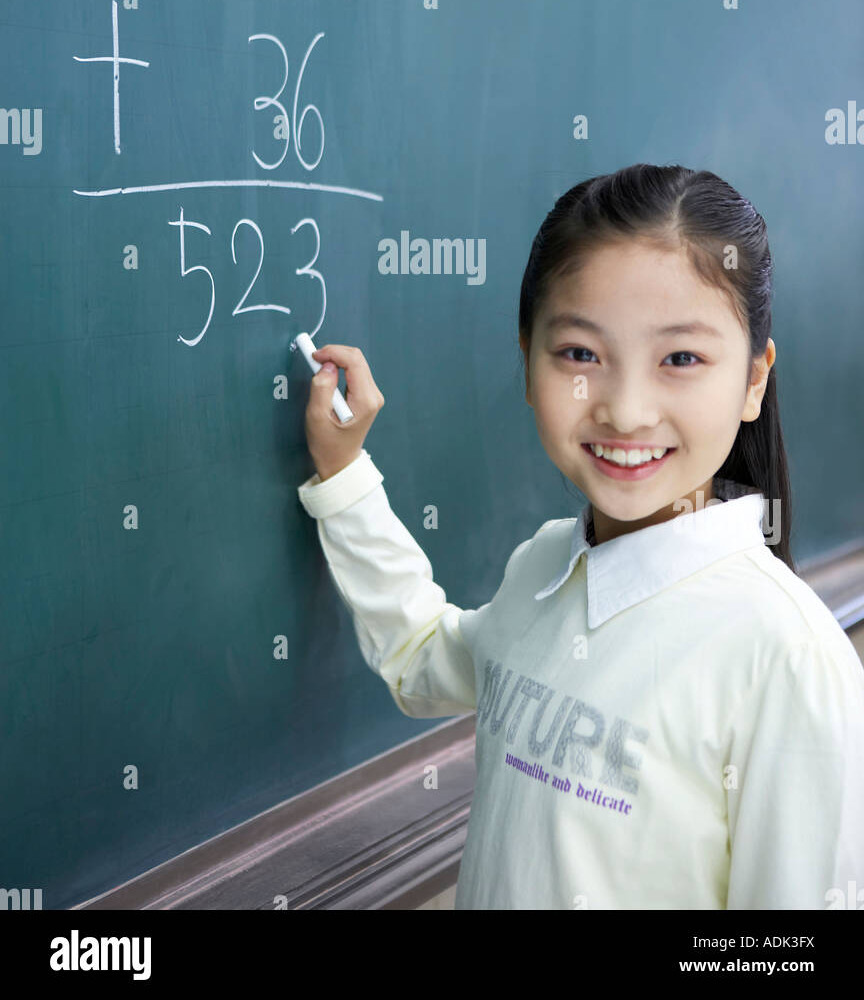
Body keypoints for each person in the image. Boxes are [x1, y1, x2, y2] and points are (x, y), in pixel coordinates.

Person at [297, 162, 864, 910]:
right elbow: (423, 658)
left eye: (682, 359)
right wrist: (345, 481)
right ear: (527, 358)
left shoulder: (784, 656)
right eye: (581, 355)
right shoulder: (543, 567)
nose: (626, 411)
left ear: (755, 379)